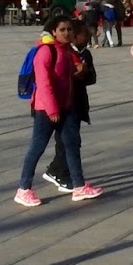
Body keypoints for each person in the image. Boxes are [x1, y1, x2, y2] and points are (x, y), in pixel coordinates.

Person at [13, 14, 93, 206]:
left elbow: (64, 79)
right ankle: (24, 189)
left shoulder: (65, 50)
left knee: (71, 145)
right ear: (54, 32)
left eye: (69, 29)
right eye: (62, 30)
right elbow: (44, 83)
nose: (67, 33)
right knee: (37, 148)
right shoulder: (46, 52)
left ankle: (79, 186)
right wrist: (52, 110)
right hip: (46, 110)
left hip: (66, 107)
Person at [43, 19, 103, 198]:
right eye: (86, 34)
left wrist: (83, 72)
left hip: (77, 102)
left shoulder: (85, 54)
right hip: (62, 102)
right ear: (75, 36)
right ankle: (59, 173)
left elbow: (92, 78)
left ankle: (61, 172)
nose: (90, 36)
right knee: (65, 141)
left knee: (72, 140)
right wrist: (74, 74)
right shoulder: (63, 51)